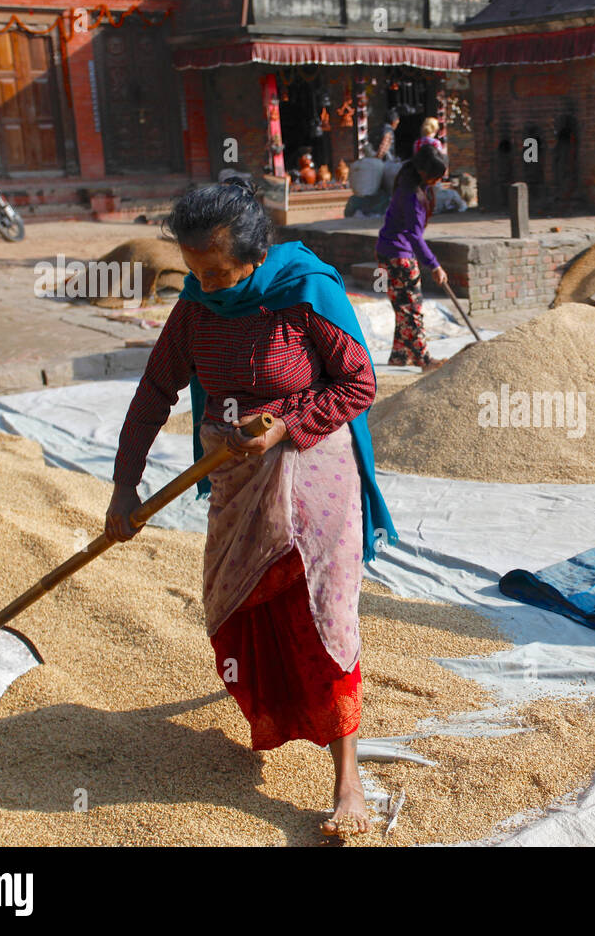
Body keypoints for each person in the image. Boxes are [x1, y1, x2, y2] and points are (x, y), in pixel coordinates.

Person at [104, 178, 396, 837]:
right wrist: (125, 488)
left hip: (311, 463)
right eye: (194, 272)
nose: (205, 284)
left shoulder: (305, 293)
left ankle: (346, 778)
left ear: (255, 255)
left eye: (216, 271)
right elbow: (154, 393)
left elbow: (359, 382)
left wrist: (286, 424)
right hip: (233, 476)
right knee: (234, 600)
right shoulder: (198, 309)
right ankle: (281, 711)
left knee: (321, 611)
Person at [376, 144, 449, 370]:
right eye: (437, 177)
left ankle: (399, 355)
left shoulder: (407, 180)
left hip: (388, 251)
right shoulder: (412, 195)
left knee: (402, 306)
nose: (438, 181)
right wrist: (434, 265)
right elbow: (414, 236)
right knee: (412, 306)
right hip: (399, 256)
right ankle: (423, 358)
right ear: (425, 172)